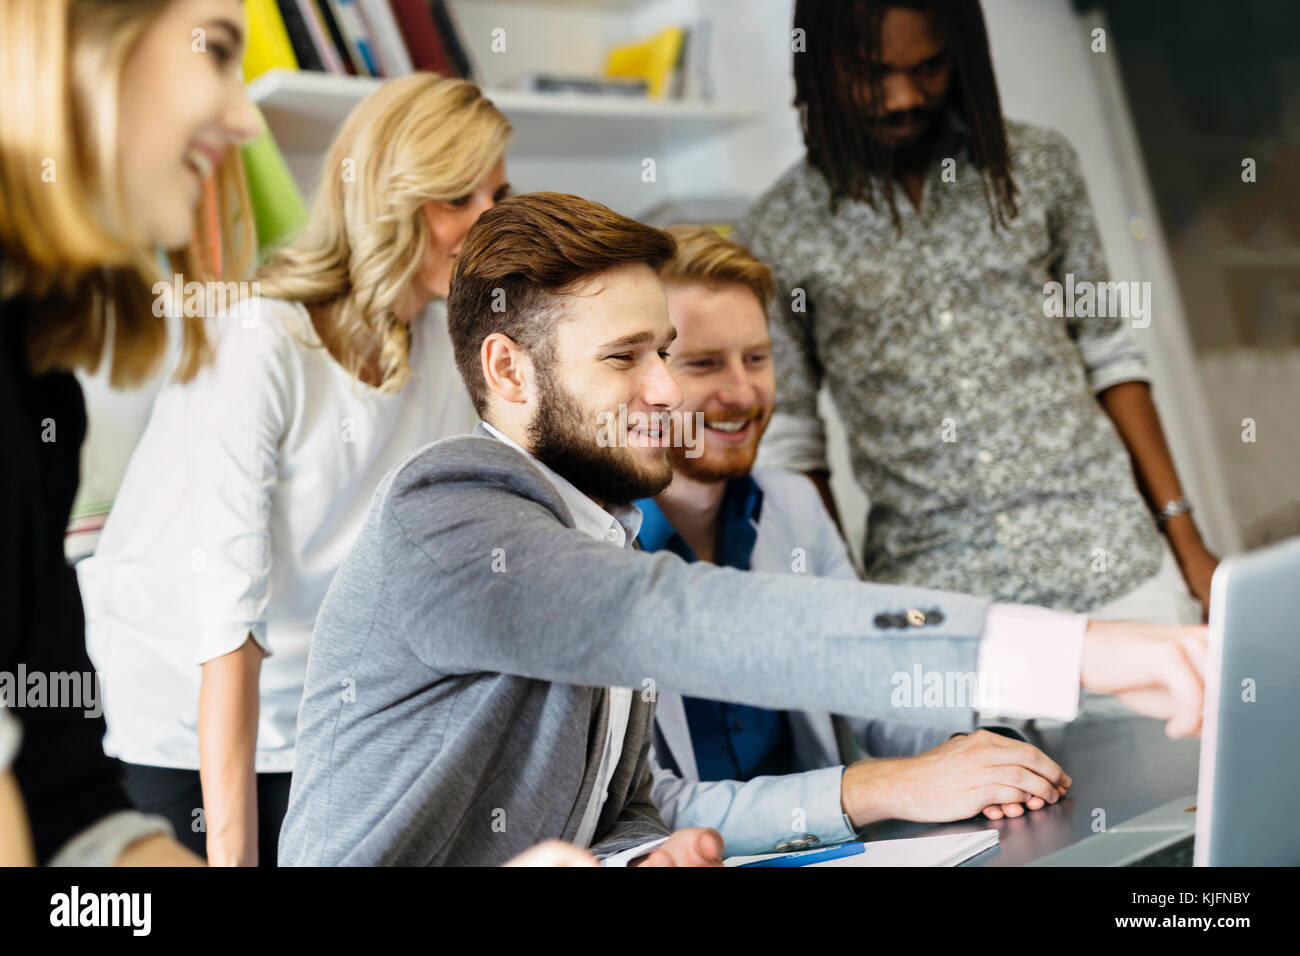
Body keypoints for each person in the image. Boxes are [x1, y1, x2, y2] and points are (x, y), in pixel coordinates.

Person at [279, 192, 1206, 867]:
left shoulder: (599, 527)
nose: (664, 392)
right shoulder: (447, 510)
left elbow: (618, 814)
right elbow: (680, 620)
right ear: (510, 372)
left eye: (663, 354)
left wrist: (643, 857)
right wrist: (1080, 648)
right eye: (623, 359)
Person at [77, 73, 510, 866]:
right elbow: (226, 627)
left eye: (498, 194)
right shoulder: (262, 340)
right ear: (391, 199)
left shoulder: (449, 353)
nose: (488, 224)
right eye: (458, 198)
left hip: (326, 709)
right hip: (183, 701)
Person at [734, 0, 1214, 627]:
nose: (905, 96)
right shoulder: (775, 230)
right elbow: (794, 442)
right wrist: (849, 610)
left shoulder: (1039, 166)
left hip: (1117, 573)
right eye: (873, 74)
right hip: (937, 607)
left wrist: (1188, 544)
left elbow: (1109, 354)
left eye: (929, 67)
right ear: (818, 64)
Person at [639, 226, 1069, 856]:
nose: (742, 393)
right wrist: (884, 787)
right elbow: (649, 807)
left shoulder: (791, 505)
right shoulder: (590, 551)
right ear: (644, 376)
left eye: (756, 358)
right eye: (704, 363)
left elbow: (874, 679)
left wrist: (977, 748)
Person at [0, 0, 259, 867]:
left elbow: (70, 811)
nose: (245, 116)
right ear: (79, 36)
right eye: (216, 51)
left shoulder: (37, 378)